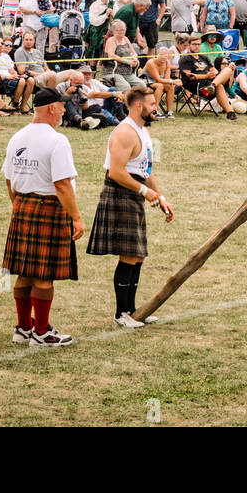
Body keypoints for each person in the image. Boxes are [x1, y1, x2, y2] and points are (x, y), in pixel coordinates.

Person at [1, 87, 84, 348]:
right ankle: (41, 332)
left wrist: (17, 203)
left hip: (24, 205)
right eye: (62, 105)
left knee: (25, 271)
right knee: (43, 273)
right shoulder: (57, 140)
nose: (64, 110)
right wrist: (77, 218)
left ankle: (23, 328)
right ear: (51, 108)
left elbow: (8, 177)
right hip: (48, 207)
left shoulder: (18, 136)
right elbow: (62, 184)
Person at [86, 86, 172, 328]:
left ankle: (133, 311)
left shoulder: (142, 131)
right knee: (129, 254)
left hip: (134, 191)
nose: (156, 107)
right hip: (120, 192)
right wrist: (145, 191)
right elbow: (116, 172)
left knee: (138, 255)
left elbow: (146, 170)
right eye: (152, 104)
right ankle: (121, 313)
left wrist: (160, 197)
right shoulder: (124, 132)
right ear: (138, 106)